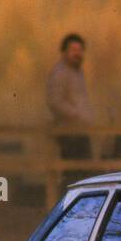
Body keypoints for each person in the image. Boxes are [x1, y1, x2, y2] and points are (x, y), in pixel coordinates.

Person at [47, 33, 93, 173]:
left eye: (80, 50)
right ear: (64, 52)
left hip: (80, 131)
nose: (77, 54)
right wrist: (76, 115)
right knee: (74, 172)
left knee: (83, 170)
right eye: (73, 50)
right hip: (68, 132)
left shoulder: (77, 72)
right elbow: (54, 101)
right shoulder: (60, 72)